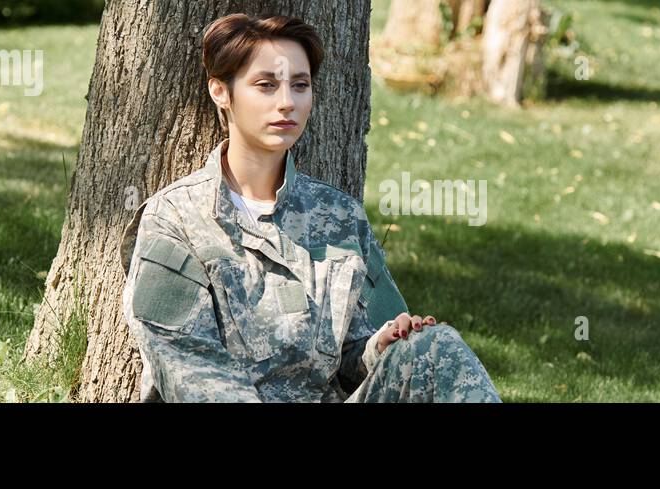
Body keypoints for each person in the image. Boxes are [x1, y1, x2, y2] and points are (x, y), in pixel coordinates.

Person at [119, 13, 501, 403]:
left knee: (434, 346)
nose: (287, 102)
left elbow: (353, 357)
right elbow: (186, 363)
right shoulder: (176, 218)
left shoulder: (339, 216)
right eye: (266, 86)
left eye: (299, 86)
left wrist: (379, 348)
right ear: (221, 91)